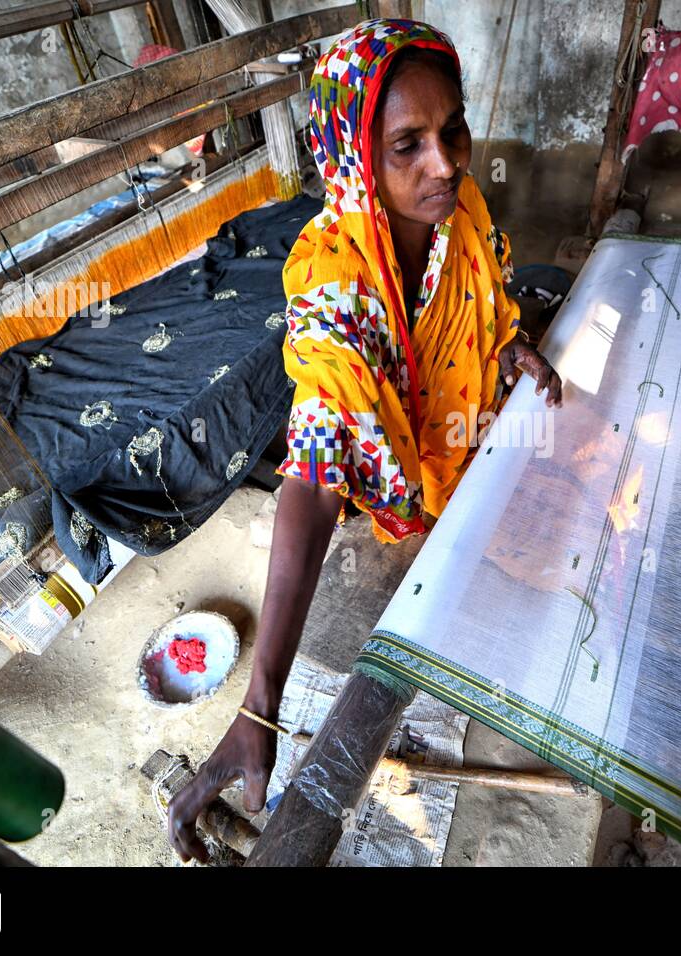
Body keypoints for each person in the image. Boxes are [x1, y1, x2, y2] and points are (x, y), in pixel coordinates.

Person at [167, 18, 562, 863]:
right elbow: (316, 465)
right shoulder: (336, 287)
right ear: (355, 156)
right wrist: (258, 704)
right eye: (407, 145)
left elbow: (487, 298)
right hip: (413, 472)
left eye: (452, 128)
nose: (446, 162)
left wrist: (513, 346)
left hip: (468, 443)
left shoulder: (461, 215)